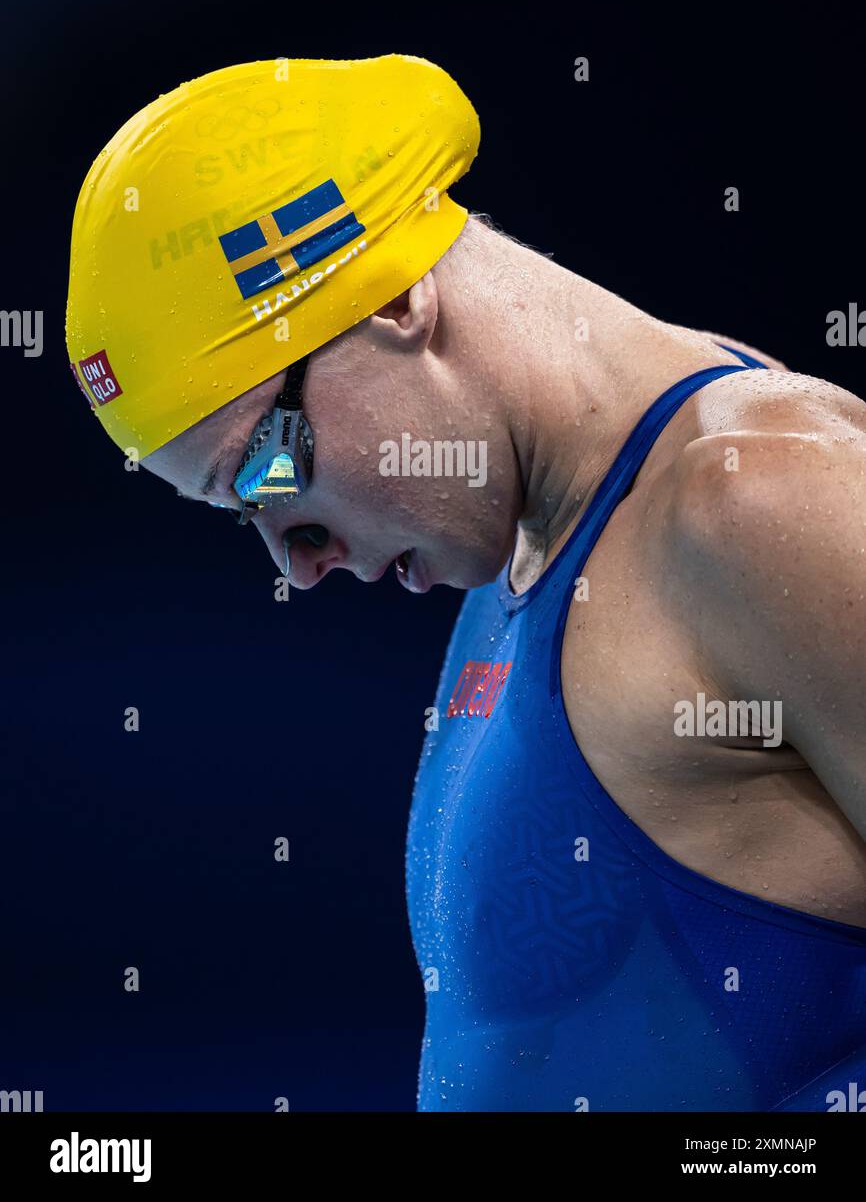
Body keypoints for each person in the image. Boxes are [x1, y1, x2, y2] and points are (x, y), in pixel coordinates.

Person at [67, 55, 866, 1112]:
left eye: (267, 469)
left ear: (393, 295)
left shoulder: (759, 496)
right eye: (236, 515)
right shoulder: (529, 543)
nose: (294, 563)